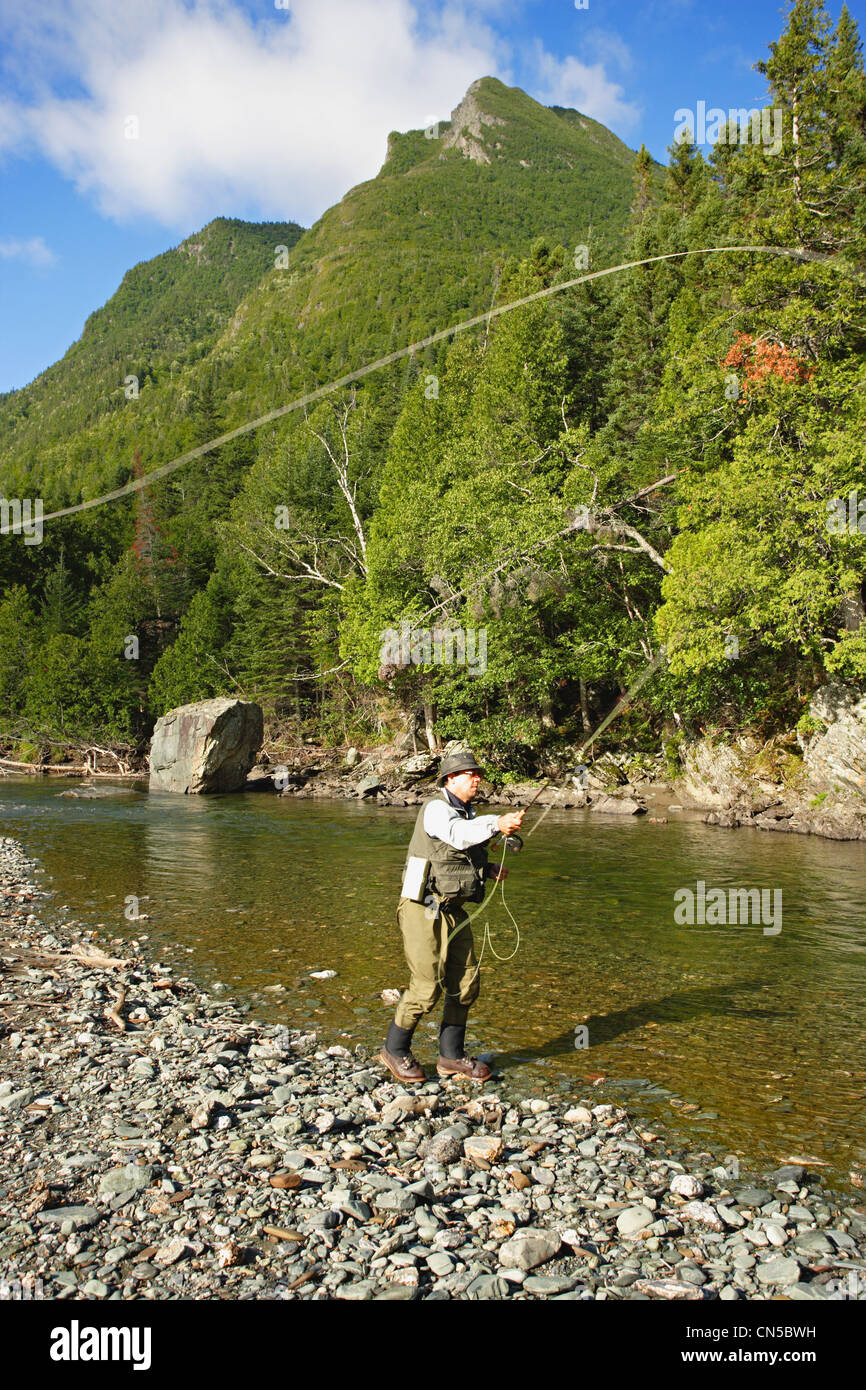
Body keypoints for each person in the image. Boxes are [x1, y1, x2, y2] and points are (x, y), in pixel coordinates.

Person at [379, 749, 525, 1082]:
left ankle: (451, 1057)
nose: (477, 778)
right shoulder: (435, 809)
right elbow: (456, 835)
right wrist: (498, 823)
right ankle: (395, 1050)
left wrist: (487, 868)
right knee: (427, 986)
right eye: (470, 774)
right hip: (423, 906)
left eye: (477, 773)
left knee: (466, 982)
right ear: (450, 779)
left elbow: (458, 854)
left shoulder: (467, 814)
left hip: (453, 910)